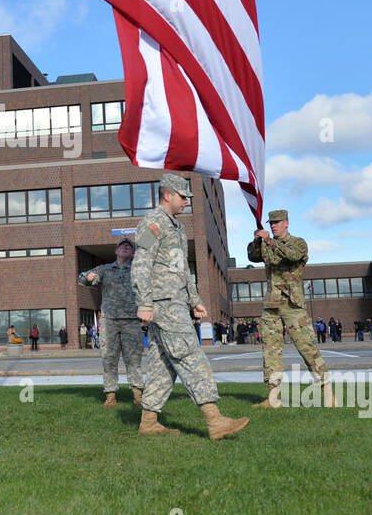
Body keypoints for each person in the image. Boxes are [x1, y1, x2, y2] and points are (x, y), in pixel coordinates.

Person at [131, 173, 250, 440]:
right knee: (190, 355)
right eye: (183, 196)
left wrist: (194, 300)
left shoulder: (176, 226)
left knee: (163, 364)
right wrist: (144, 303)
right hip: (163, 304)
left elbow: (182, 269)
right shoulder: (153, 224)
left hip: (175, 302)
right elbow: (140, 264)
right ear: (168, 195)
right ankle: (214, 419)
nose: (187, 201)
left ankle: (148, 422)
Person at [247, 209, 334, 409]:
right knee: (271, 351)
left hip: (292, 304)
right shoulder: (268, 244)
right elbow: (253, 256)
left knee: (308, 348)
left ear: (287, 223)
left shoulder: (298, 243)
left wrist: (269, 241)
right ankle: (273, 398)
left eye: (277, 222)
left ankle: (329, 395)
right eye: (271, 223)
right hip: (272, 304)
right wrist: (257, 241)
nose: (273, 226)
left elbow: (293, 256)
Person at [79, 237, 145, 407]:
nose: (125, 247)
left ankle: (138, 396)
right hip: (109, 323)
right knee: (109, 359)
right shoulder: (105, 269)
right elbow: (82, 278)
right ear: (116, 251)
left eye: (129, 247)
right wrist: (90, 276)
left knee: (134, 360)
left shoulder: (139, 270)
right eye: (122, 246)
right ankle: (110, 396)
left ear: (132, 252)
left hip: (132, 321)